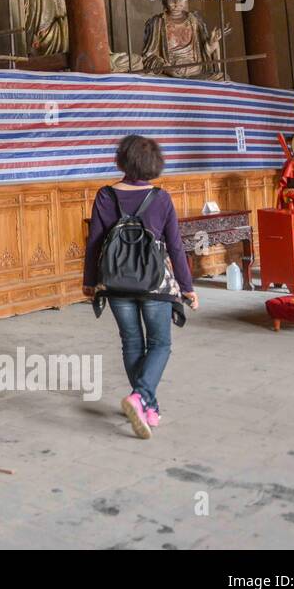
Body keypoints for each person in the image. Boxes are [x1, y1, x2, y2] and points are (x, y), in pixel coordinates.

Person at [82, 135, 196, 439]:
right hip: (154, 283)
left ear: (122, 160)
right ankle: (142, 397)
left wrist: (89, 281)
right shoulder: (161, 198)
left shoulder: (105, 196)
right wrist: (187, 286)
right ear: (153, 165)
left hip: (116, 282)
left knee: (132, 342)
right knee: (160, 344)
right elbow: (175, 245)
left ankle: (148, 406)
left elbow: (94, 242)